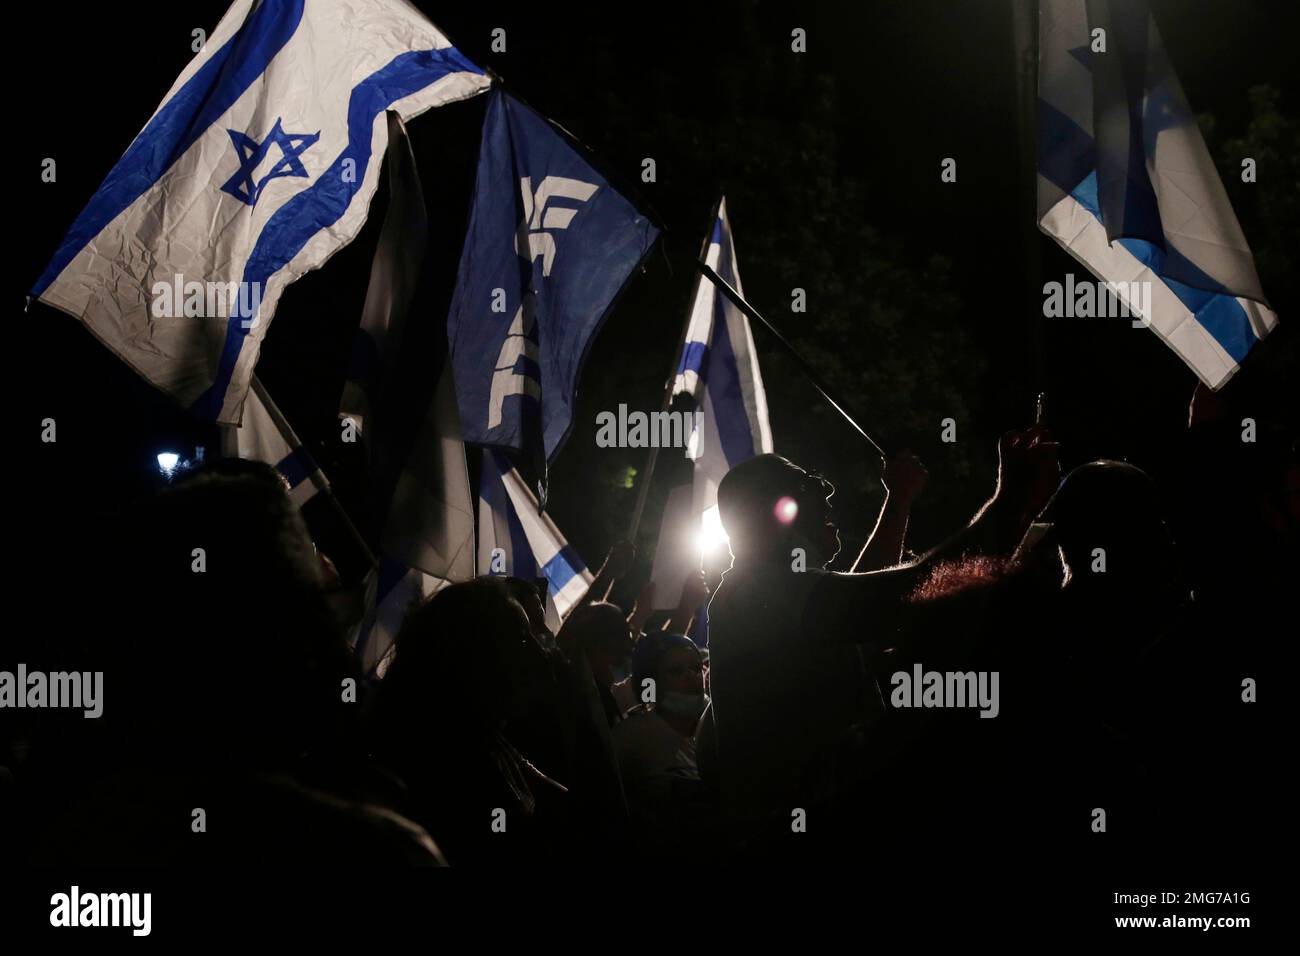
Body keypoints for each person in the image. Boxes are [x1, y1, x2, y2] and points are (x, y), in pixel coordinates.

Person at [705, 428, 1057, 847]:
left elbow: (859, 595)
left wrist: (899, 501)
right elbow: (895, 597)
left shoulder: (765, 587)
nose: (828, 491)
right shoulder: (759, 588)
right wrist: (1007, 503)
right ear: (772, 510)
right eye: (810, 483)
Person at [612, 632, 712, 854]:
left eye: (696, 668)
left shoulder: (712, 723)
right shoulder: (634, 736)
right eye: (676, 671)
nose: (691, 676)